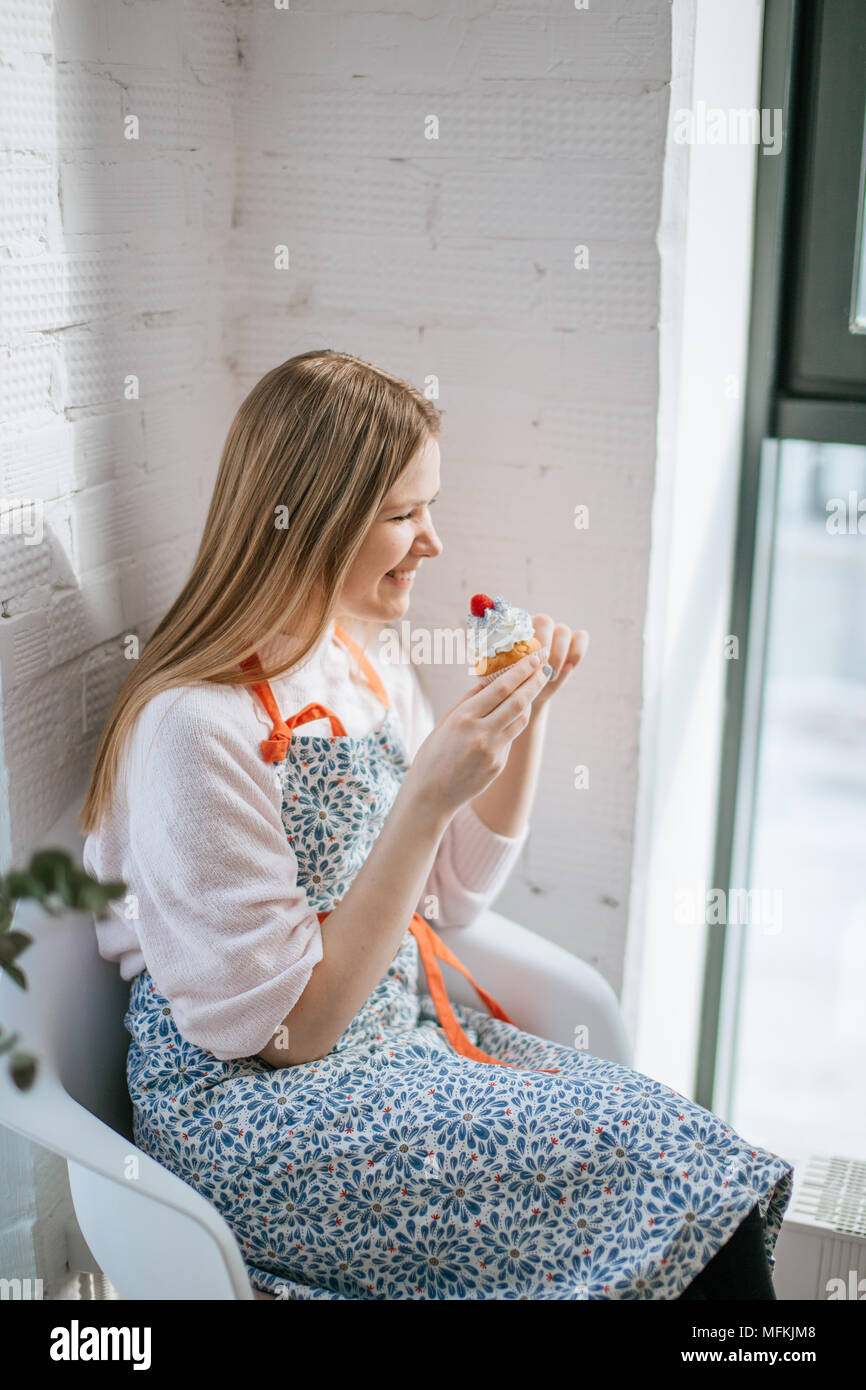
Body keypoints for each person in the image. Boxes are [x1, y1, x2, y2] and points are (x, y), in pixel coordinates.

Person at [81, 349, 793, 1300]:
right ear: (319, 523)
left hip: (390, 1052)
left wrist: (520, 713)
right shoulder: (193, 728)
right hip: (255, 1114)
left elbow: (454, 892)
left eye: (431, 507)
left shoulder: (352, 664)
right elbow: (290, 1032)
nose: (434, 543)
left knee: (689, 1148)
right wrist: (423, 795)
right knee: (644, 1160)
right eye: (405, 514)